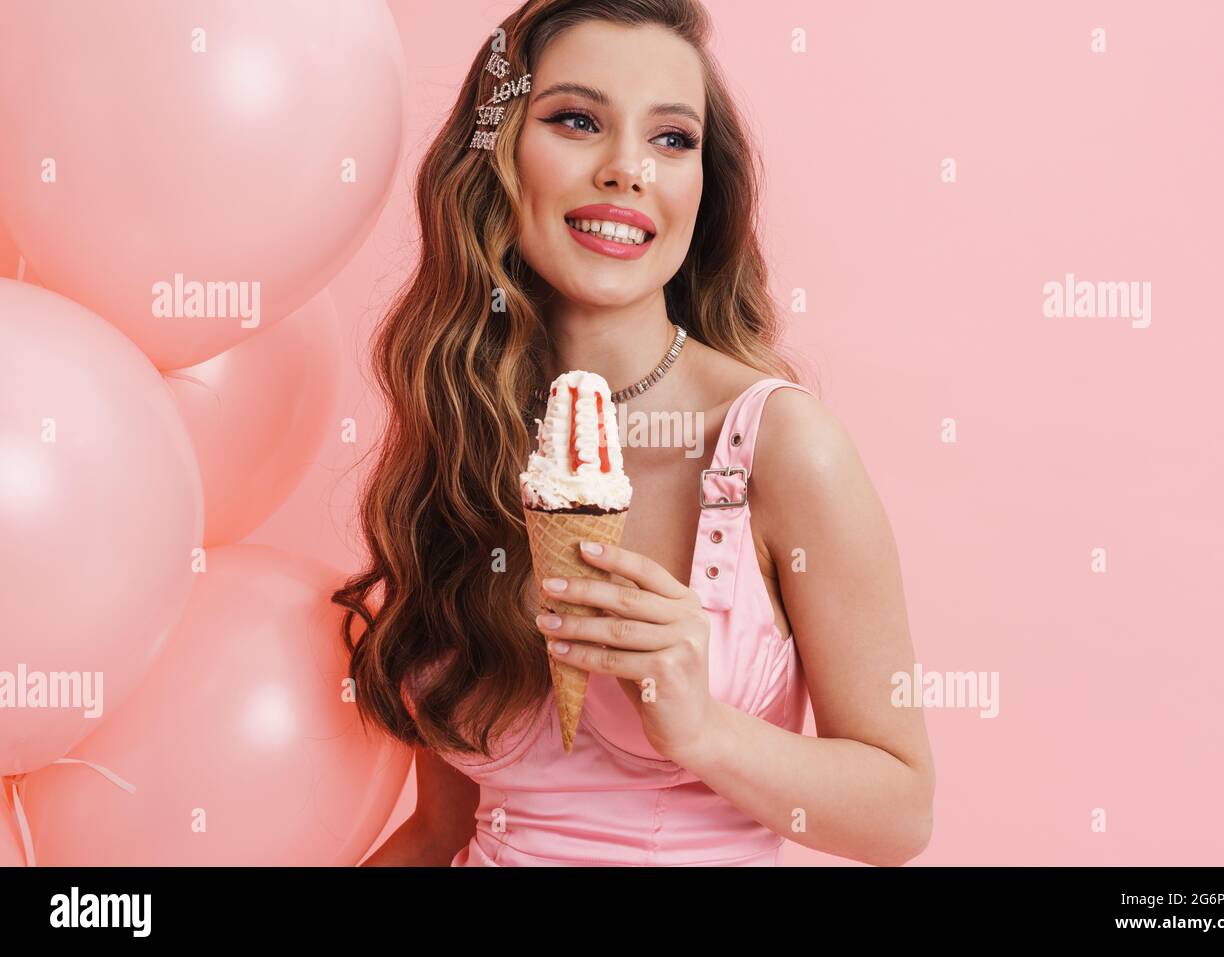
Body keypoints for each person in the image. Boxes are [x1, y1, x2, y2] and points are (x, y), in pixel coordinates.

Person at [338, 0, 935, 867]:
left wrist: (702, 729)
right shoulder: (466, 436)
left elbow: (899, 815)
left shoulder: (778, 445)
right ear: (496, 157)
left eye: (671, 139)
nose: (627, 170)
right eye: (577, 120)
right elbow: (440, 830)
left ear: (704, 181)